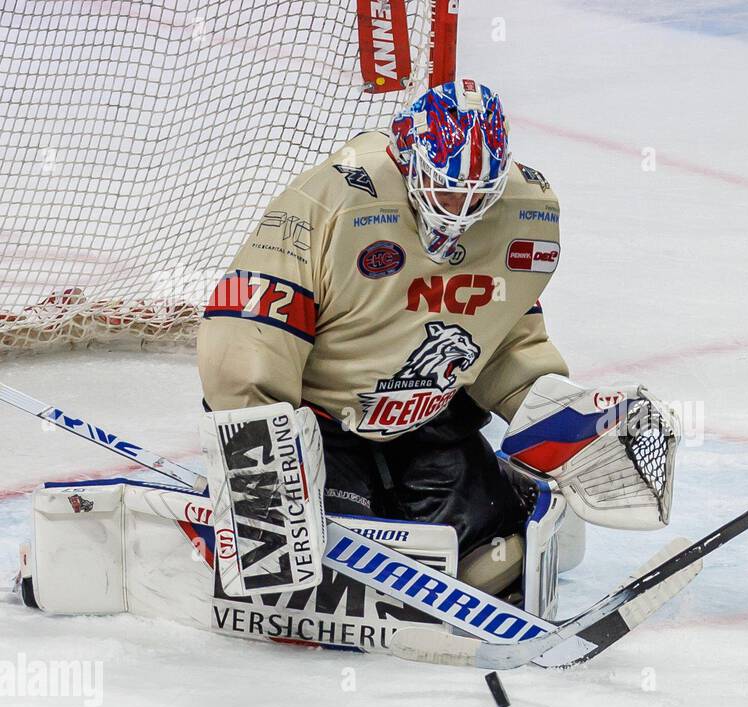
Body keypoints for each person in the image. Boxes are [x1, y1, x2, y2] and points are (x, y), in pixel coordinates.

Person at [198, 78, 668, 601]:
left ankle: (481, 500)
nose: (461, 212)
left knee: (501, 554)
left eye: (478, 195)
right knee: (328, 572)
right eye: (447, 188)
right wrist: (259, 461)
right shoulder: (331, 199)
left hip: (430, 419)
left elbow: (504, 336)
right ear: (408, 158)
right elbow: (251, 332)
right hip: (319, 423)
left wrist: (567, 416)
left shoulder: (527, 210)